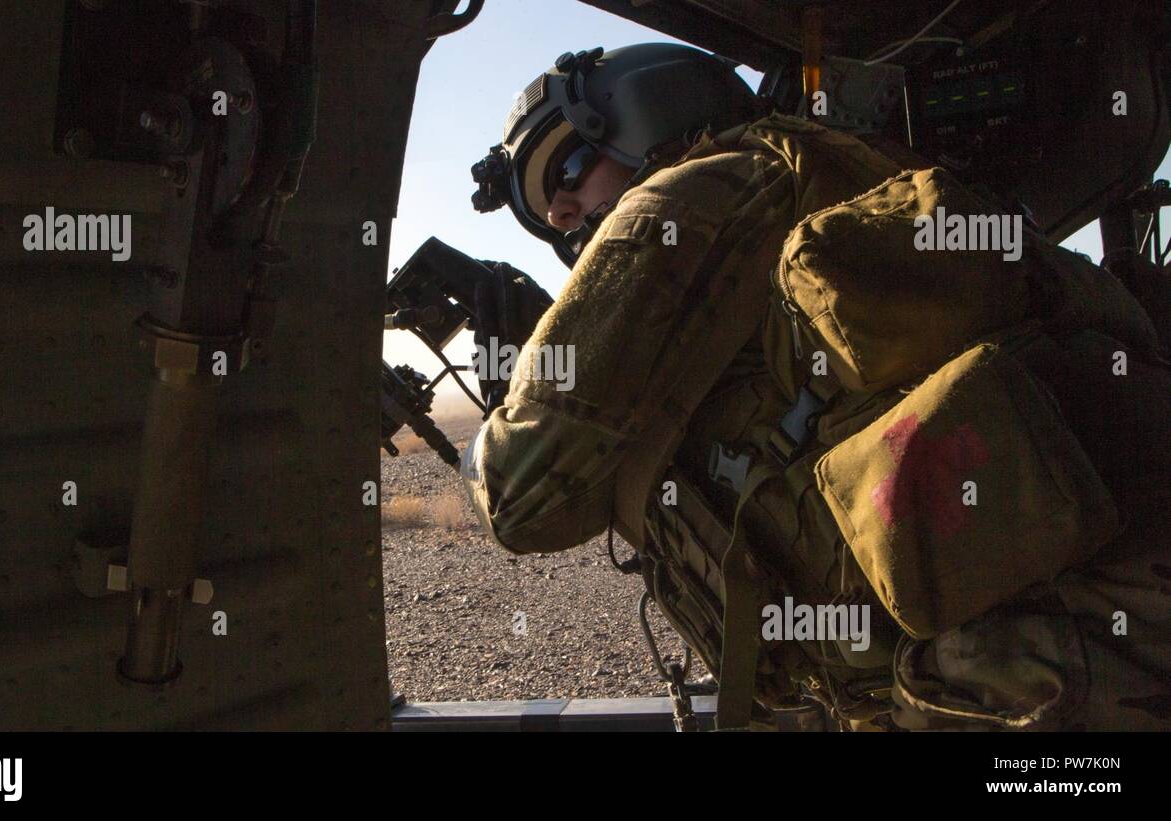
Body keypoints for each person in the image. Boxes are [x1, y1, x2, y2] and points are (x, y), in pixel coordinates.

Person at [461, 42, 1171, 730]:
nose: (560, 214)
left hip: (1030, 670)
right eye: (544, 213)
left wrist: (507, 389)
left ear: (647, 114)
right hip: (1068, 635)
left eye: (572, 167)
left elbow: (519, 499)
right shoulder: (835, 168)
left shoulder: (681, 200)